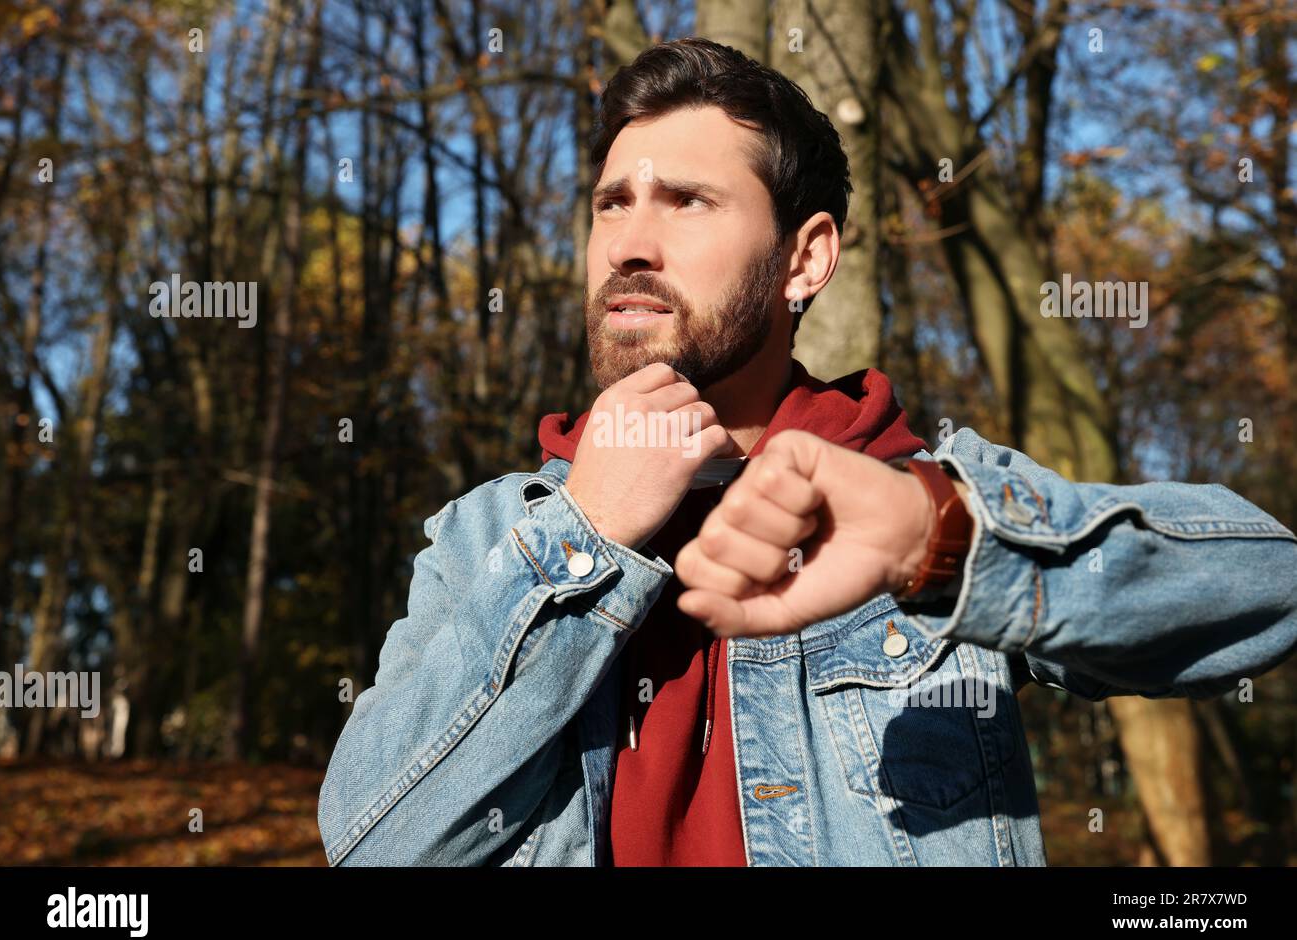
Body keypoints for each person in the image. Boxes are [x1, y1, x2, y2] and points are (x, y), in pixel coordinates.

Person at [317, 37, 1297, 866]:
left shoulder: (911, 493)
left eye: (686, 201)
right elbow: (369, 841)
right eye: (611, 202)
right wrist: (585, 535)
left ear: (805, 258)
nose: (628, 243)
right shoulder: (492, 536)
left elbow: (1270, 589)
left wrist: (945, 542)